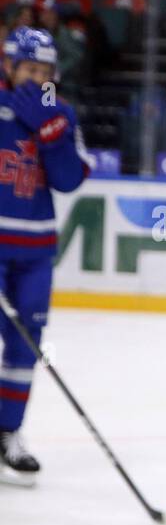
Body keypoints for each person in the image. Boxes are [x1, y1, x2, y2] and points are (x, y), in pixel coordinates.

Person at [0, 27, 93, 485]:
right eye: (29, 70)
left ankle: (9, 433)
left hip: (35, 253)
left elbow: (69, 181)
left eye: (45, 72)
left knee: (25, 347)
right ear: (9, 67)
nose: (38, 80)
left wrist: (53, 135)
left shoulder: (63, 115)